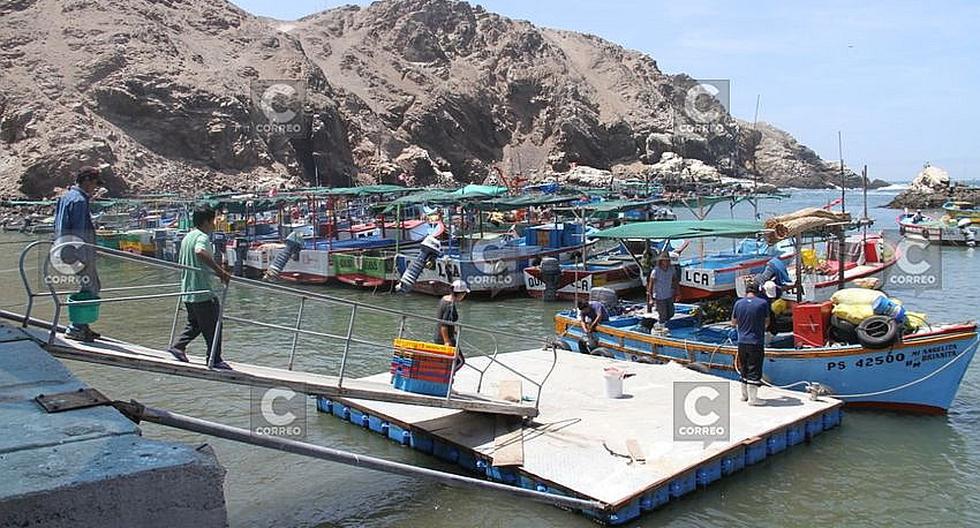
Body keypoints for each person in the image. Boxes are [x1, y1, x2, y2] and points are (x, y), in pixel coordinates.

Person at [168, 206, 232, 369]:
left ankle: (178, 346)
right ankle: (215, 359)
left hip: (188, 291)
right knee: (214, 325)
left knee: (196, 323)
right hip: (202, 291)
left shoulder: (187, 237)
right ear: (206, 221)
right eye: (213, 220)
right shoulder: (202, 237)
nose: (215, 223)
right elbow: (200, 251)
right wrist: (221, 272)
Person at [54, 167, 104, 342]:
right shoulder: (80, 200)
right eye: (94, 184)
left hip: (63, 248)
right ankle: (76, 327)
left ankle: (82, 325)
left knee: (89, 286)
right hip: (78, 252)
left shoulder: (65, 197)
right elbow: (80, 232)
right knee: (92, 287)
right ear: (87, 180)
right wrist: (84, 256)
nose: (94, 188)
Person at [732, 280, 770, 406]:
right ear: (757, 291)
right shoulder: (763, 303)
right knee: (754, 368)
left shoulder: (738, 303)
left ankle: (744, 395)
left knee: (744, 367)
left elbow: (734, 322)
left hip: (742, 341)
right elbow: (766, 322)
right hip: (755, 341)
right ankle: (753, 399)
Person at [435, 279, 469, 370]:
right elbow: (444, 325)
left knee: (448, 362)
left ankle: (445, 378)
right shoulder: (449, 306)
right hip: (445, 339)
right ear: (460, 294)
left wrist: (453, 330)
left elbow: (446, 321)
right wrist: (447, 341)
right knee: (460, 361)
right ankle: (446, 378)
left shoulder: (444, 299)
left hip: (439, 337)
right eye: (464, 294)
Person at [646, 250, 680, 323]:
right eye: (664, 260)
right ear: (661, 261)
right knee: (663, 315)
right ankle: (660, 327)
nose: (666, 262)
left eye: (667, 260)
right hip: (659, 297)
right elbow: (651, 285)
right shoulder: (656, 271)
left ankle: (666, 324)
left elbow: (675, 281)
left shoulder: (672, 269)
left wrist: (677, 292)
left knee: (671, 313)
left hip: (669, 295)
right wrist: (650, 298)